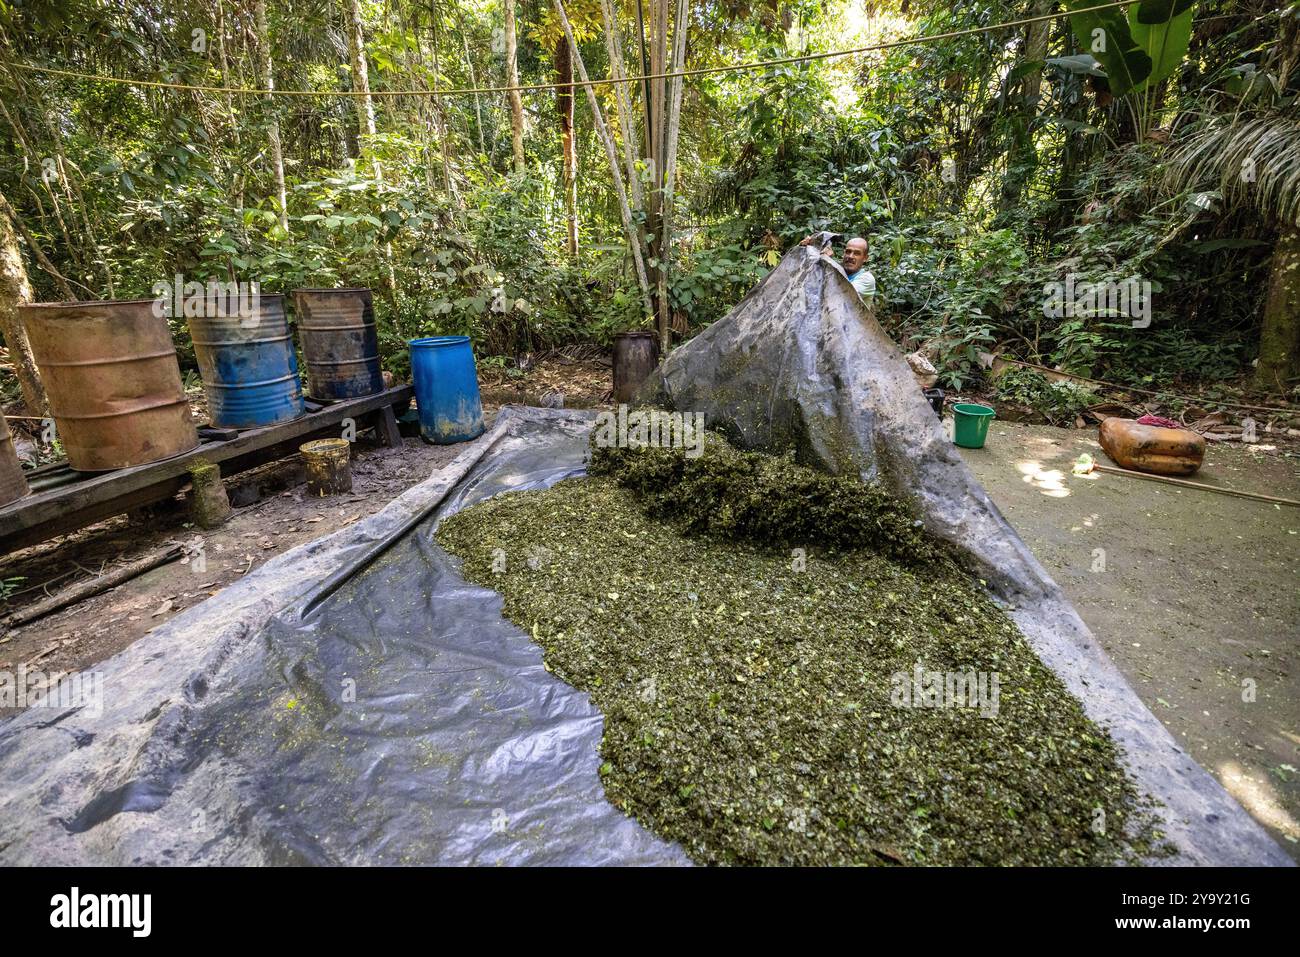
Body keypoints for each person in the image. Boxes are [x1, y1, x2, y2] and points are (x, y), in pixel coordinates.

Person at [800, 233, 876, 300]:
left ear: (865, 258)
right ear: (844, 253)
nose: (850, 256)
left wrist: (827, 261)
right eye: (848, 252)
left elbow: (840, 297)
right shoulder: (838, 271)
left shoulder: (866, 279)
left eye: (856, 253)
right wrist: (806, 249)